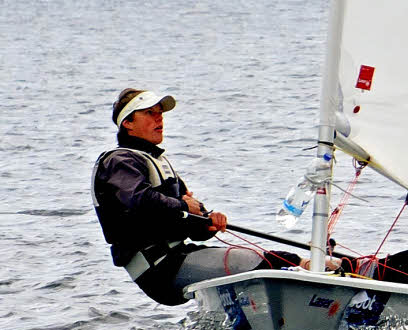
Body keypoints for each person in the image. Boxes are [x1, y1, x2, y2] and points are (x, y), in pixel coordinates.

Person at [92, 87, 310, 306]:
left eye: (160, 112)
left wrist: (208, 222)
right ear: (128, 123)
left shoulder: (157, 163)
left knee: (277, 259)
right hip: (159, 269)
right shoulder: (119, 161)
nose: (159, 118)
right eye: (150, 113)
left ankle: (329, 266)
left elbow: (191, 222)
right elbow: (138, 200)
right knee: (263, 265)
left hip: (179, 257)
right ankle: (313, 284)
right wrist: (182, 205)